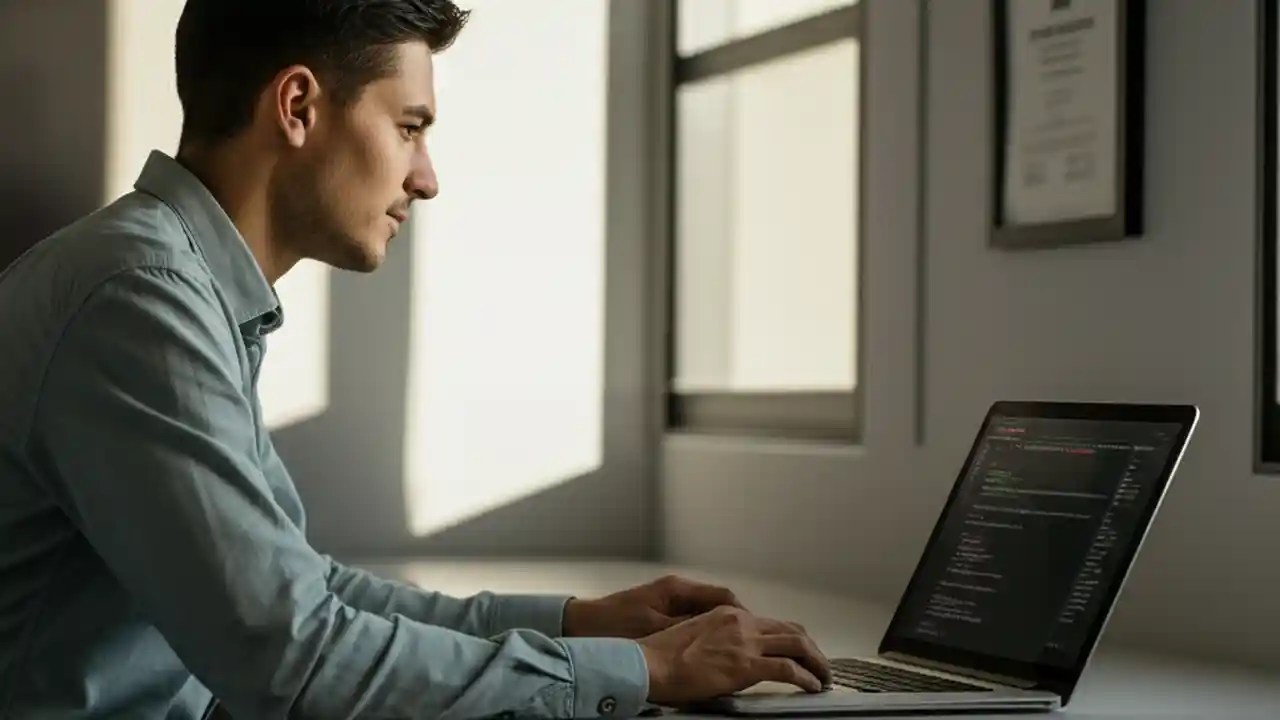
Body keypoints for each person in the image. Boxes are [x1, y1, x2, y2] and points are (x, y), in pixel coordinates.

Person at [0, 1, 831, 717]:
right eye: (409, 127)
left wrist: (580, 626)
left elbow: (308, 603)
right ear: (297, 106)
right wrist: (645, 670)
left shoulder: (169, 281)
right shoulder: (140, 298)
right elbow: (296, 660)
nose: (425, 179)